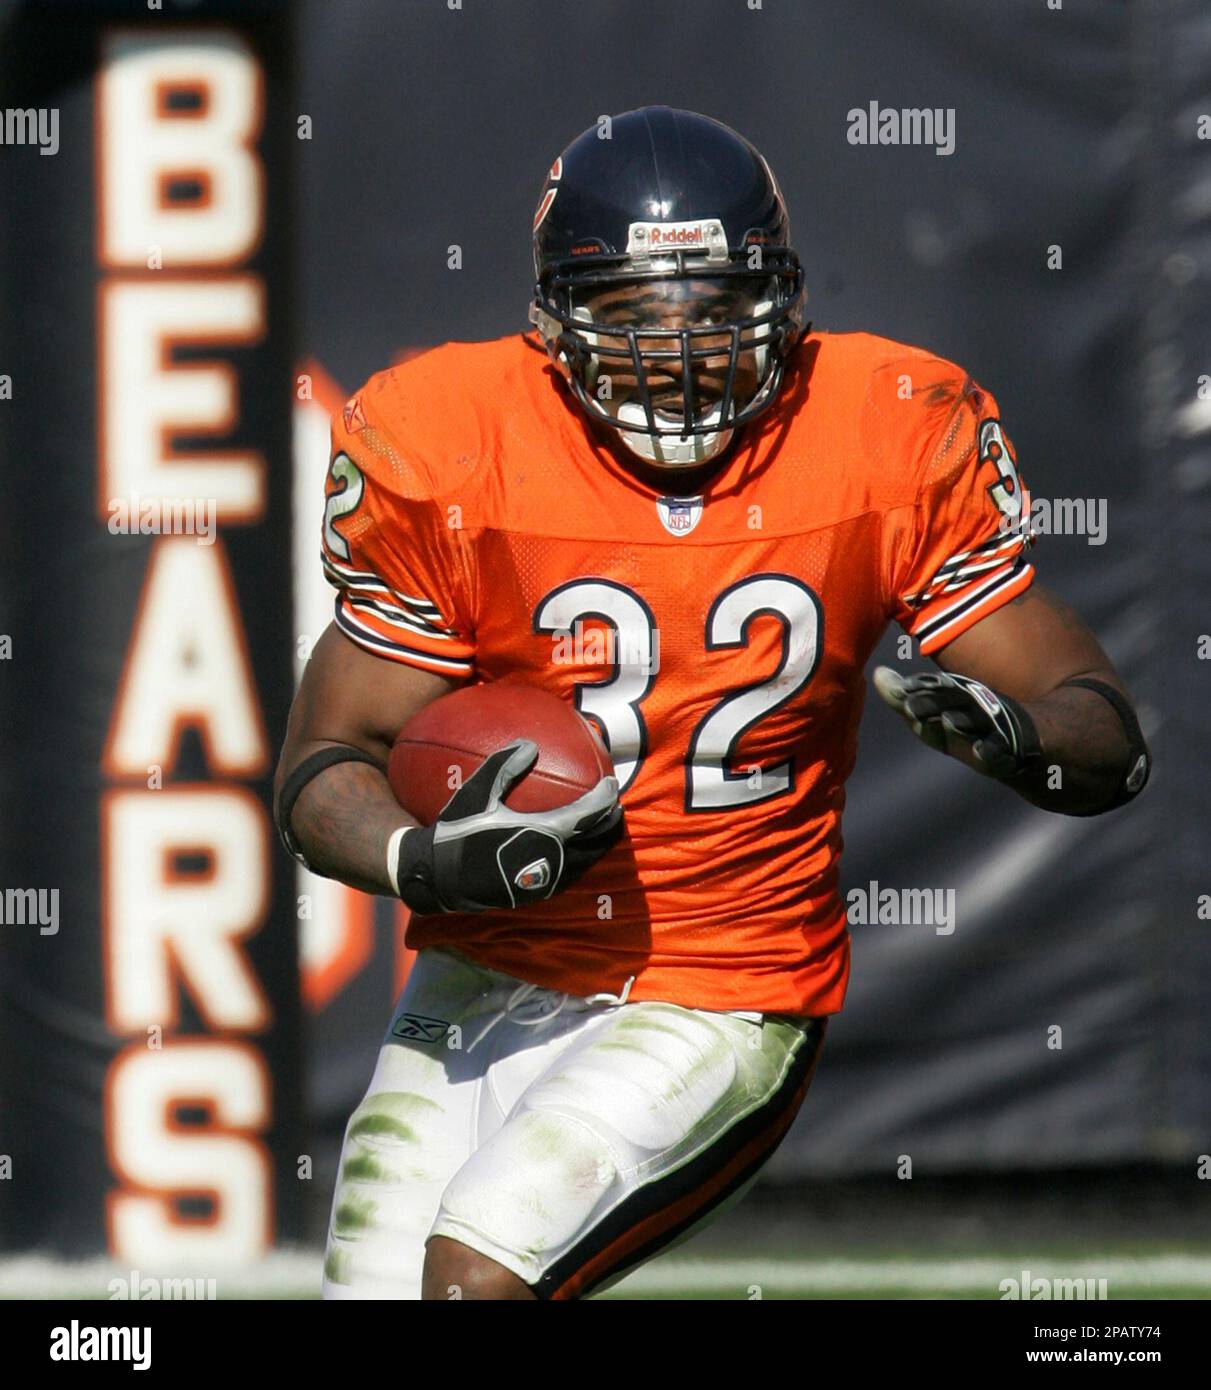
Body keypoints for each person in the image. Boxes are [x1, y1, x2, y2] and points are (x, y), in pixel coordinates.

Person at [274, 106, 1150, 1300]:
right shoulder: (447, 441)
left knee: (473, 1280)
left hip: (723, 985)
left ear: (784, 306)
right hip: (480, 974)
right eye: (633, 318)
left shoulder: (885, 427)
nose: (678, 360)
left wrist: (1025, 744)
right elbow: (324, 761)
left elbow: (1101, 733)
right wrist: (423, 861)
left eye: (717, 315)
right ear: (551, 324)